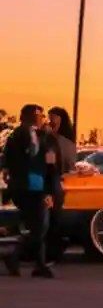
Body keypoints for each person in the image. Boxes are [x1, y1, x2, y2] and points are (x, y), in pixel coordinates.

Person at [2, 105, 55, 278]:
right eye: (39, 115)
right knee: (39, 227)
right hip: (26, 188)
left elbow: (50, 165)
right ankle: (17, 257)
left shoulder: (43, 137)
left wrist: (49, 190)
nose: (42, 118)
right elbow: (8, 162)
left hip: (38, 187)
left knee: (39, 227)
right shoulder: (18, 137)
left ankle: (37, 264)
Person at [44, 107, 77, 263]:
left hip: (56, 181)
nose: (50, 121)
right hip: (55, 181)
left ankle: (52, 252)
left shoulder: (60, 142)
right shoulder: (50, 139)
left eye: (54, 118)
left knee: (52, 219)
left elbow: (66, 164)